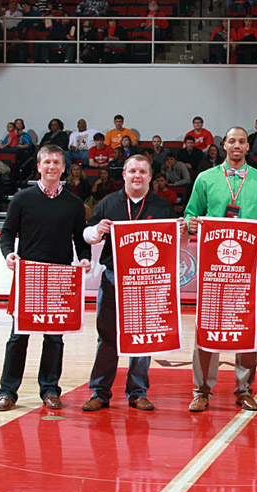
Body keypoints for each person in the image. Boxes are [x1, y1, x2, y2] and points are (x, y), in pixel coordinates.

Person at [185, 126, 257, 412]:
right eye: (232, 141)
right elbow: (190, 214)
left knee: (245, 326)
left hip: (247, 269)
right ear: (223, 145)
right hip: (213, 270)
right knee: (208, 327)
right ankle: (202, 389)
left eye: (242, 141)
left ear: (248, 147)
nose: (236, 146)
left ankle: (244, 388)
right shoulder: (205, 178)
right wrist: (192, 223)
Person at [0, 145, 91, 412]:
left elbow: (81, 240)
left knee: (54, 339)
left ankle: (50, 390)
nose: (51, 166)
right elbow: (7, 234)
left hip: (60, 279)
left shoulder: (73, 204)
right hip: (29, 278)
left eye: (56, 162)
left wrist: (84, 258)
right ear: (38, 166)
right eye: (47, 162)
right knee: (18, 338)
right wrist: (8, 254)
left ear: (63, 168)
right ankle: (7, 391)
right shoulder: (22, 199)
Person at [81, 155, 177, 412]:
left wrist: (182, 233)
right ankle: (99, 392)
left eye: (142, 171)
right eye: (132, 171)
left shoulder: (162, 206)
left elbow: (175, 245)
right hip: (113, 280)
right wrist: (97, 229)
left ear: (149, 176)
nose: (137, 176)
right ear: (123, 174)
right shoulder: (109, 202)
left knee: (143, 339)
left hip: (147, 284)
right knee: (107, 339)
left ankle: (137, 391)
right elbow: (87, 234)